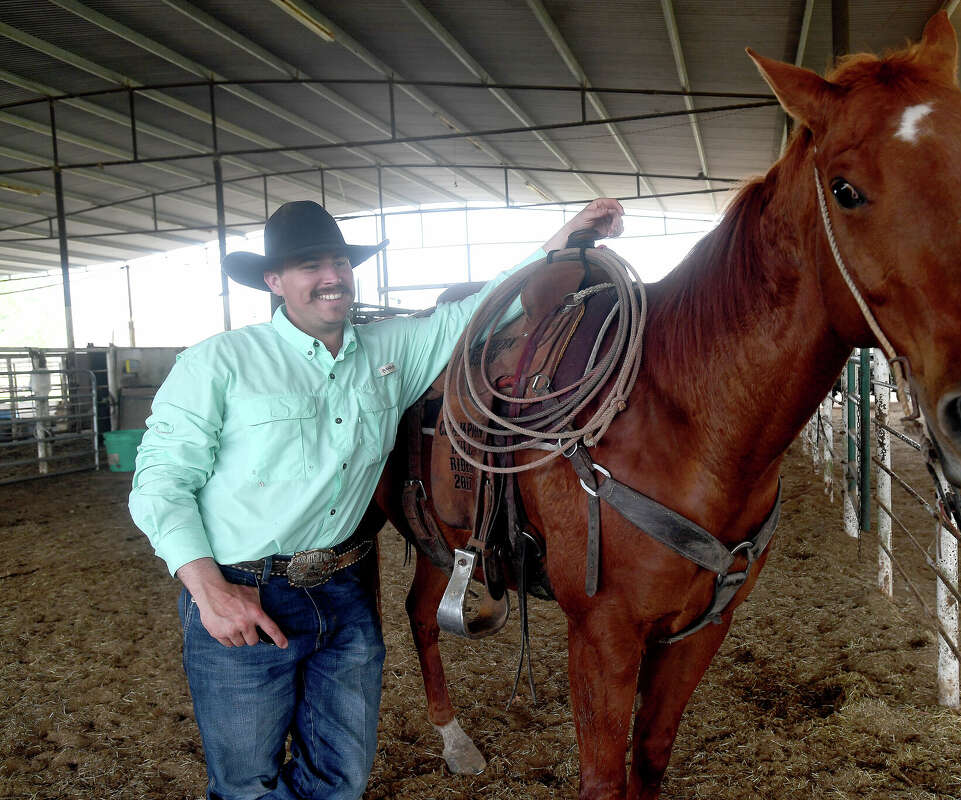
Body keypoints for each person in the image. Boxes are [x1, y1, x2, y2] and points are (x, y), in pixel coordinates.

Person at [128, 197, 624, 800]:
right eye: (310, 266)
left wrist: (562, 240)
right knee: (246, 783)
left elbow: (484, 307)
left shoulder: (390, 350)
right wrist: (209, 590)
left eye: (339, 263)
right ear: (274, 281)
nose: (332, 277)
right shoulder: (218, 362)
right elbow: (160, 482)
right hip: (245, 590)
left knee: (342, 777)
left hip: (345, 590)